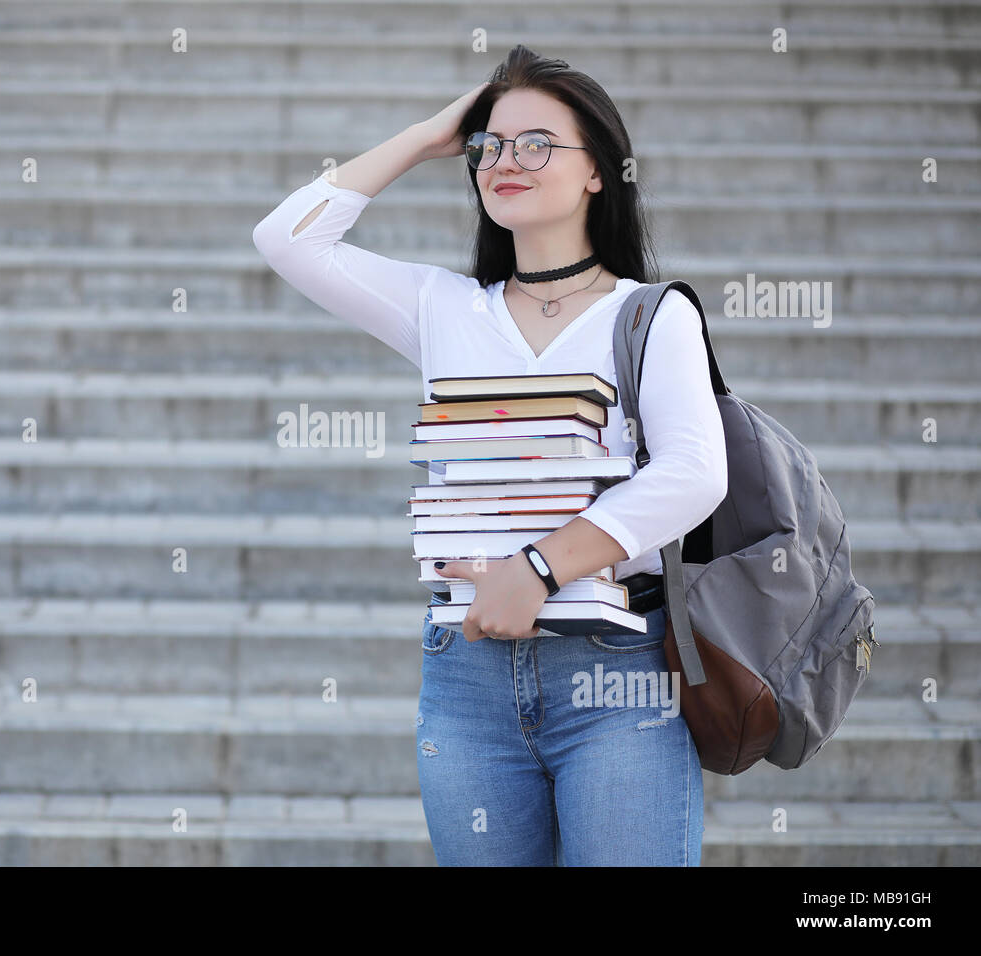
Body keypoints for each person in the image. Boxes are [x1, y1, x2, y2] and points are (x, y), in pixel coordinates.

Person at [252, 46, 727, 866]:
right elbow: (287, 239)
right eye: (491, 146)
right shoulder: (444, 309)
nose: (506, 161)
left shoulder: (649, 316)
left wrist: (537, 568)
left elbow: (693, 474)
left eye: (538, 143)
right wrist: (424, 137)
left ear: (599, 174)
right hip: (466, 679)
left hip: (616, 678)